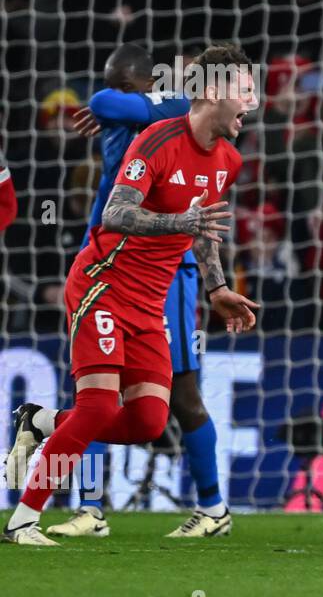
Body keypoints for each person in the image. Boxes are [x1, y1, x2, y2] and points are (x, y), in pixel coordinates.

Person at [4, 44, 259, 546]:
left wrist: (219, 287)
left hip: (150, 299)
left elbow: (204, 229)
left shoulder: (229, 159)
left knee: (147, 419)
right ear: (212, 92)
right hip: (103, 283)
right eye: (245, 90)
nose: (252, 102)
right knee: (98, 407)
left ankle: (42, 421)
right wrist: (177, 222)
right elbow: (115, 214)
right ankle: (23, 519)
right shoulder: (157, 140)